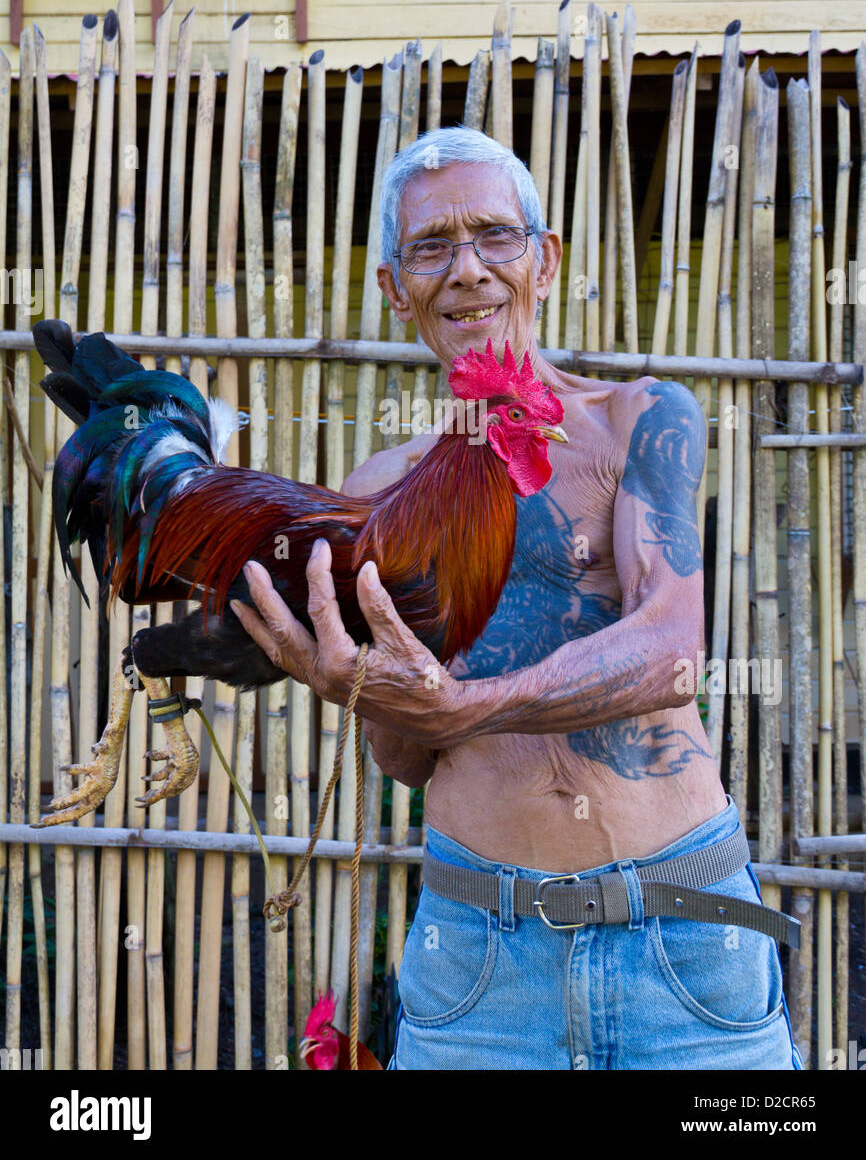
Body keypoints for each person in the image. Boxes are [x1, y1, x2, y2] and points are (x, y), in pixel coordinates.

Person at [231, 125, 802, 1071]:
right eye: (430, 247)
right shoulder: (381, 482)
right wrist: (365, 688)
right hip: (482, 956)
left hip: (685, 939)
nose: (467, 270)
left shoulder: (639, 418)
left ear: (546, 260)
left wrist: (467, 702)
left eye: (495, 236)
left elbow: (672, 648)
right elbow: (409, 757)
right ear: (393, 287)